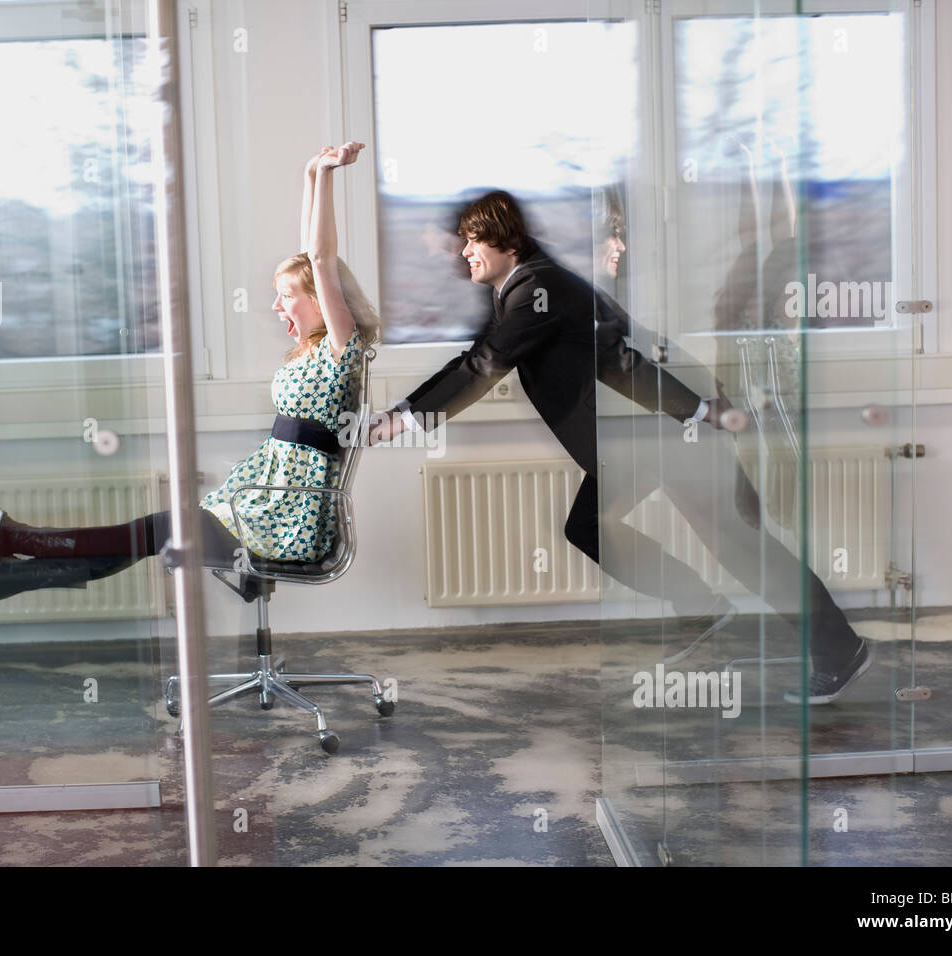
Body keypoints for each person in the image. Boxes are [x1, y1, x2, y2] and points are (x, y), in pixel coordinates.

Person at [371, 189, 869, 703]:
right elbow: (479, 358)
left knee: (739, 546)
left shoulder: (535, 290)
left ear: (506, 240)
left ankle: (829, 646)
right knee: (611, 528)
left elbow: (486, 366)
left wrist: (402, 420)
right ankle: (709, 608)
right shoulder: (524, 289)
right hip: (647, 437)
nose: (463, 253)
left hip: (660, 437)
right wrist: (404, 412)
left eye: (472, 241)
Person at [0, 142, 379, 600]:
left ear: (322, 300)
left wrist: (328, 173)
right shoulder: (312, 348)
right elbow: (310, 257)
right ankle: (13, 572)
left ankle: (15, 541)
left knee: (154, 531)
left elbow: (319, 261)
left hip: (287, 521)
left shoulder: (343, 350)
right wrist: (310, 174)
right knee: (150, 535)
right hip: (262, 503)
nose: (275, 304)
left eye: (286, 295)